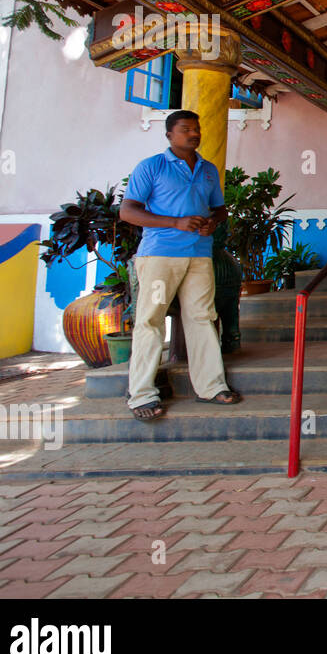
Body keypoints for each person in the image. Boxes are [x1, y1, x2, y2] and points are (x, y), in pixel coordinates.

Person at [119, 110, 241, 421]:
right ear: (170, 135)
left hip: (199, 256)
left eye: (196, 128)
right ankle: (141, 394)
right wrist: (175, 222)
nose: (193, 133)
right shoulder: (152, 167)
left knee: (202, 317)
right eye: (185, 129)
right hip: (160, 257)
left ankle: (211, 386)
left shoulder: (208, 170)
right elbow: (129, 211)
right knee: (151, 319)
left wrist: (212, 223)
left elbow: (220, 209)